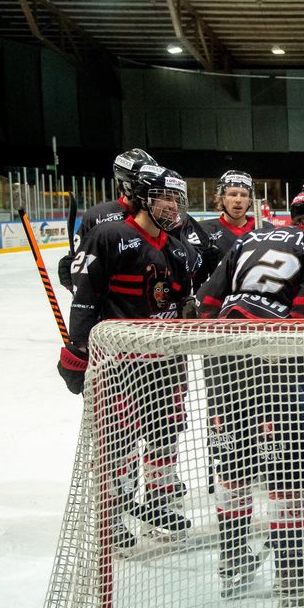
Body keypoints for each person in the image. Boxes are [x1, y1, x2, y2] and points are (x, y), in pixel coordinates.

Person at [196, 183, 304, 608]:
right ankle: (292, 577)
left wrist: (219, 357)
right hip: (281, 360)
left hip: (225, 355)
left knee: (234, 462)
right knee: (289, 469)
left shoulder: (250, 236)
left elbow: (208, 301)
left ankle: (232, 560)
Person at [57, 166, 198, 549]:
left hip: (167, 361)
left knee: (164, 435)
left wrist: (188, 307)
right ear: (143, 198)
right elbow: (86, 298)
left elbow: (182, 295)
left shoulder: (177, 247)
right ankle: (113, 515)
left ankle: (157, 501)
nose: (172, 206)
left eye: (176, 199)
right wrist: (79, 348)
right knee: (118, 441)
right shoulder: (110, 236)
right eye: (164, 197)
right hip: (121, 362)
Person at [57, 148, 157, 292]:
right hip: (111, 303)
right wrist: (70, 271)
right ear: (125, 184)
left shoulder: (161, 213)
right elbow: (81, 264)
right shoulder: (97, 216)